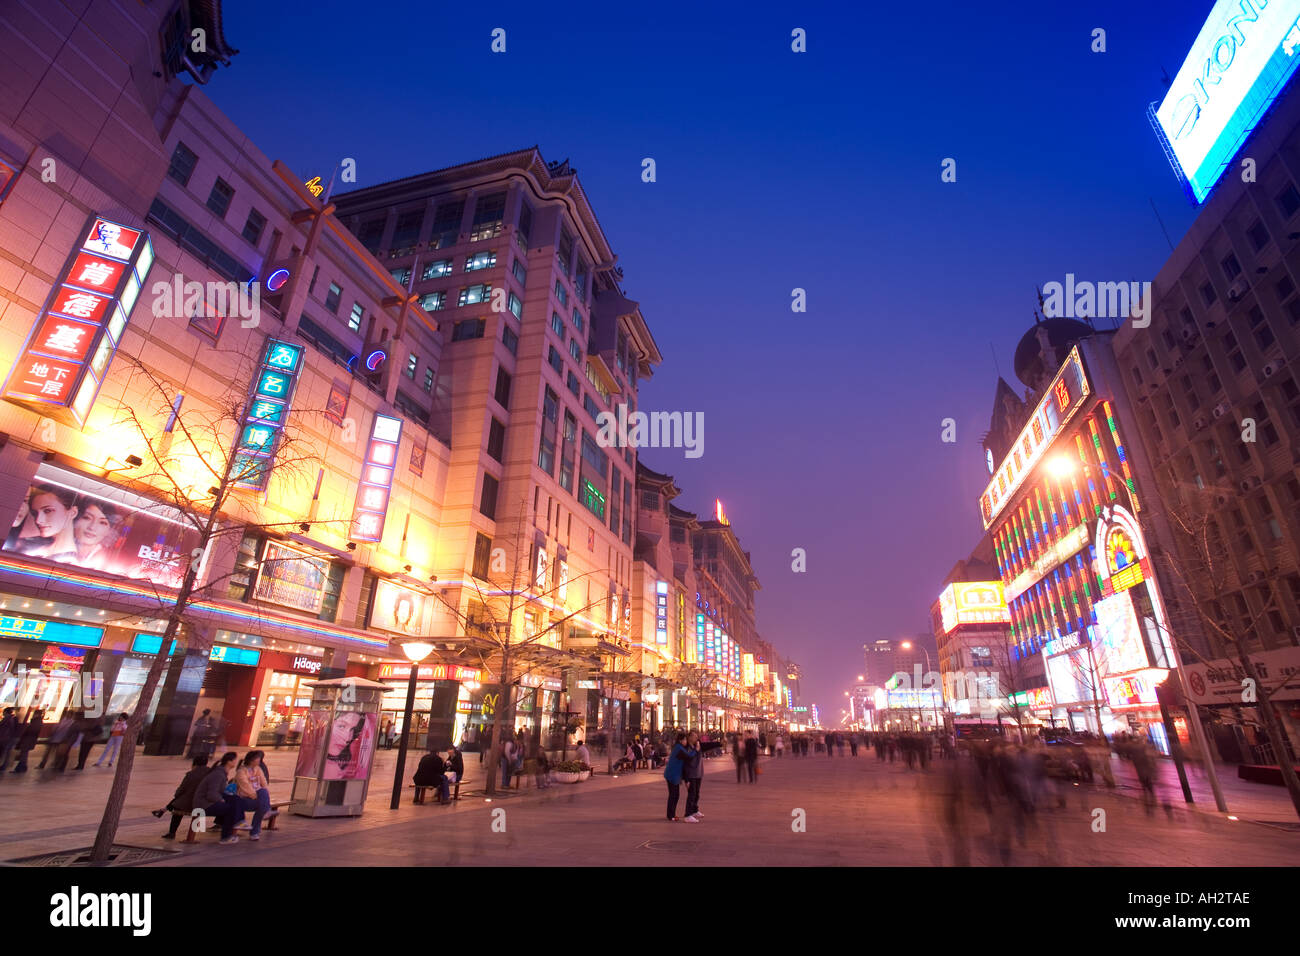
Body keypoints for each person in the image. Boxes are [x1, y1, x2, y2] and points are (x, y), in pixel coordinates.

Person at [194, 751, 242, 843]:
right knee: (230, 809)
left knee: (236, 800)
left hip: (209, 802)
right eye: (235, 760)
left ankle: (240, 822)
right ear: (229, 762)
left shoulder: (221, 773)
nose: (236, 762)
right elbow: (212, 795)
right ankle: (226, 837)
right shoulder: (218, 774)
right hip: (203, 805)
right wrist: (222, 800)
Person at [157, 755, 211, 839]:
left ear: (195, 763)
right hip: (206, 802)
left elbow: (181, 790)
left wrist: (177, 795)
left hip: (192, 803)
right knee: (180, 801)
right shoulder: (211, 772)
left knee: (178, 807)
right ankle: (164, 810)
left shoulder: (191, 774)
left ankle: (172, 832)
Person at [235, 751, 272, 840]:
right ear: (252, 760)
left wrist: (263, 795)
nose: (259, 760)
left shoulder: (258, 769)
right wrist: (257, 797)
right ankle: (266, 812)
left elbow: (264, 783)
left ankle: (254, 833)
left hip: (258, 797)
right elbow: (245, 786)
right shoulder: (241, 771)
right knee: (262, 804)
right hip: (244, 799)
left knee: (263, 795)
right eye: (257, 758)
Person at [664, 732, 688, 821]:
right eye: (685, 739)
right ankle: (671, 815)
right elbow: (689, 756)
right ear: (681, 740)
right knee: (674, 795)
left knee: (674, 795)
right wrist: (695, 750)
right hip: (672, 774)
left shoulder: (679, 747)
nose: (686, 741)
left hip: (673, 774)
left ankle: (671, 814)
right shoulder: (679, 748)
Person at [10, 708, 43, 773]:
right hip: (28, 740)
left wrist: (25, 736)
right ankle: (22, 767)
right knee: (24, 754)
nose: (33, 715)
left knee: (23, 754)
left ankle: (21, 768)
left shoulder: (36, 722)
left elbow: (32, 731)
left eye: (34, 714)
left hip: (28, 740)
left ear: (37, 714)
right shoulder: (36, 721)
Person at [682, 731, 704, 822]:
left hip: (698, 773)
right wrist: (686, 779)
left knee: (696, 794)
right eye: (694, 737)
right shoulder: (687, 748)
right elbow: (685, 763)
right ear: (689, 737)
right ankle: (687, 814)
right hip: (691, 774)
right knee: (692, 794)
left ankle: (694, 810)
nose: (696, 738)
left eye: (697, 737)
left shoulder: (696, 747)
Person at [0, 707, 19, 771]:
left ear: (6, 712)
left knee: (5, 752)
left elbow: (10, 729)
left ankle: (4, 766)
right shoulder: (9, 718)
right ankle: (4, 765)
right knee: (5, 752)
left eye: (3, 712)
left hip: (5, 738)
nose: (3, 713)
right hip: (6, 738)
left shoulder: (8, 719)